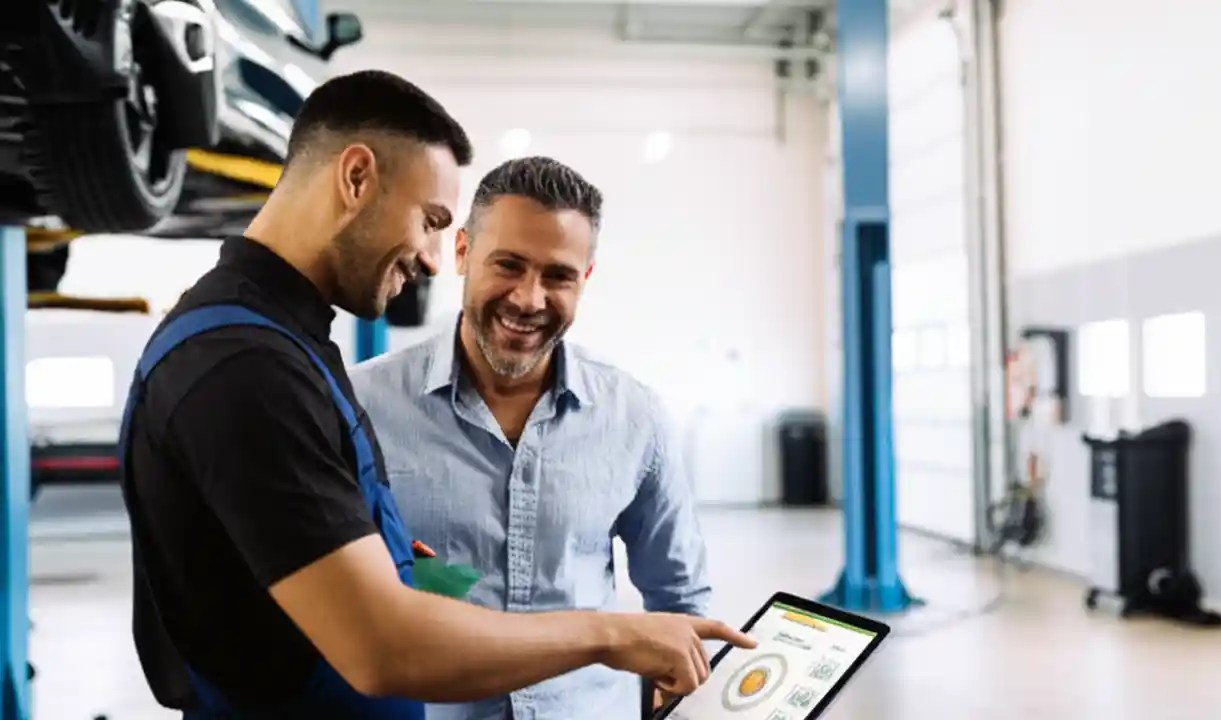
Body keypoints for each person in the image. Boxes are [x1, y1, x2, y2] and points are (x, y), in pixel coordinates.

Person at [119, 70, 752, 719]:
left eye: (558, 275)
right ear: (357, 178)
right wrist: (612, 634)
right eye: (430, 221)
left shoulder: (295, 354)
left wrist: (393, 564)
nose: (423, 258)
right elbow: (379, 648)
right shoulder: (248, 369)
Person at [350, 156, 712, 720]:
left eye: (558, 276)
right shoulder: (362, 405)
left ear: (585, 279)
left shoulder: (635, 417)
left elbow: (682, 604)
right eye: (509, 265)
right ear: (463, 252)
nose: (529, 299)